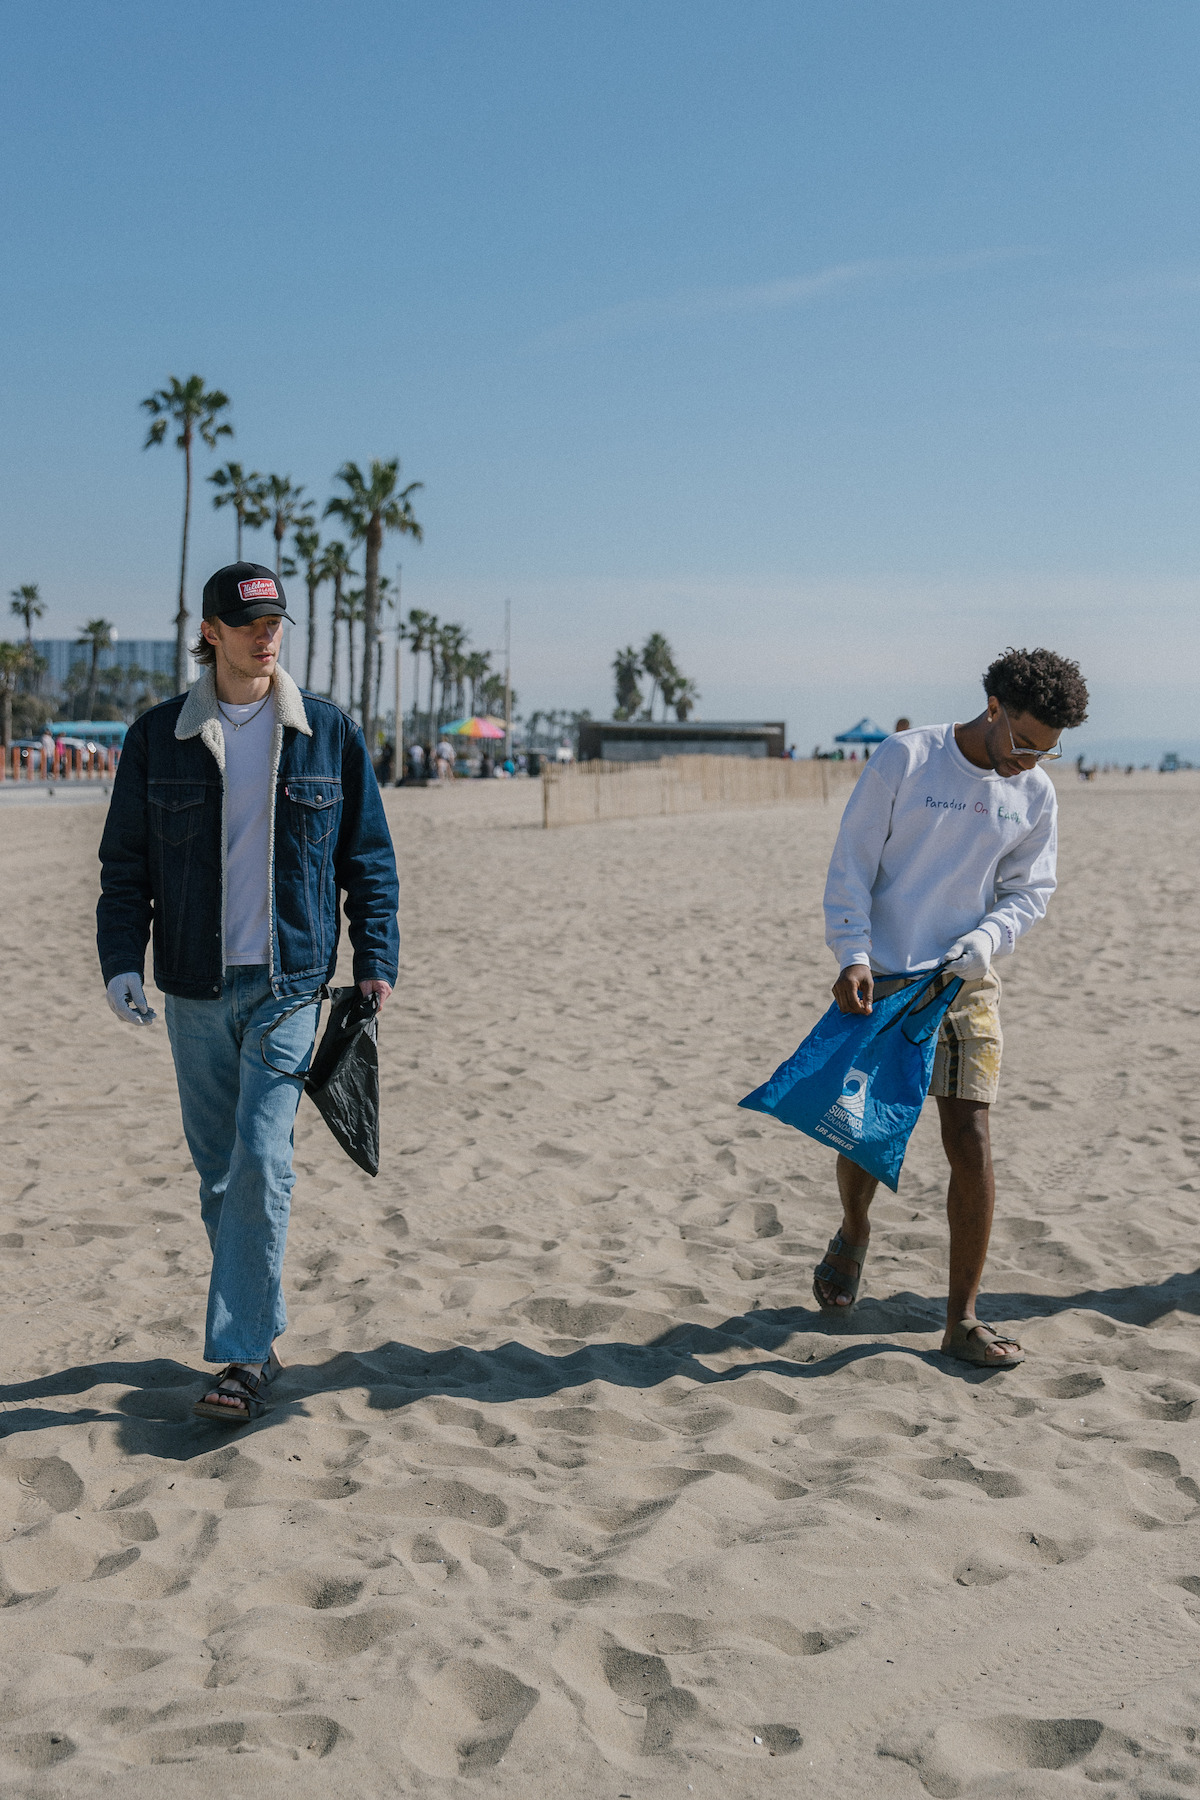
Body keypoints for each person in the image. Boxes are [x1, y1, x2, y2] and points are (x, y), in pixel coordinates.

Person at [97, 561, 399, 1425]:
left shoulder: (326, 733)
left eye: (275, 622)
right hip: (191, 984)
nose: (267, 635)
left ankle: (237, 1359)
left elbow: (368, 859)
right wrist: (121, 958)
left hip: (290, 982)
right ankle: (259, 1339)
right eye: (248, 623)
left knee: (264, 1157)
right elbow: (125, 867)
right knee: (220, 1177)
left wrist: (376, 955)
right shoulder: (158, 737)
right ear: (212, 632)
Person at [816, 647, 1089, 1368]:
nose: (1029, 761)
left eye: (1048, 752)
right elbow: (852, 862)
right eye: (1024, 742)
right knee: (867, 1131)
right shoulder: (907, 759)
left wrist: (987, 938)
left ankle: (961, 1319)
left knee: (970, 1136)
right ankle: (854, 1228)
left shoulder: (1035, 795)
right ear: (994, 706)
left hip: (967, 978)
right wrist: (852, 953)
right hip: (885, 973)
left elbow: (1032, 889)